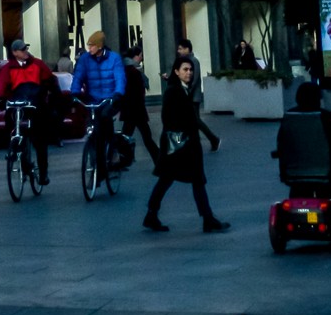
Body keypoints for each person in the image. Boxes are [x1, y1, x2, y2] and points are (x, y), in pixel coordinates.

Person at [142, 57, 229, 234]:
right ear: (176, 71)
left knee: (180, 179)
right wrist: (185, 135)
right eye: (185, 69)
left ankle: (205, 218)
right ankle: (207, 219)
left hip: (181, 144)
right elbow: (169, 118)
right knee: (180, 179)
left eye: (190, 70)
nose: (189, 72)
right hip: (181, 144)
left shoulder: (181, 89)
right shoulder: (174, 91)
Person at [280, 81, 331, 213]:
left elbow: (282, 142)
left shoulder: (289, 117)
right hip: (326, 172)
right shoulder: (324, 116)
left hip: (294, 172)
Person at [0, 40, 58, 188]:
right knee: (9, 120)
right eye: (22, 50)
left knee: (40, 140)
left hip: (36, 103)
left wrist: (52, 94)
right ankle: (13, 146)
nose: (25, 52)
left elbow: (50, 80)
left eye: (26, 49)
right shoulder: (9, 68)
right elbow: (1, 84)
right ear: (15, 52)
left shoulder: (37, 64)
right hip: (18, 103)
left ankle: (43, 172)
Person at [72, 32, 131, 169]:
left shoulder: (114, 58)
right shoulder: (85, 59)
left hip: (110, 98)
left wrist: (118, 93)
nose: (89, 48)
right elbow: (78, 77)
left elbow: (120, 78)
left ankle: (113, 147)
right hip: (93, 98)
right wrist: (74, 92)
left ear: (99, 46)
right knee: (93, 129)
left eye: (92, 46)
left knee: (105, 117)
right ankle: (97, 163)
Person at [174, 36, 221, 153]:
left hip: (193, 97)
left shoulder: (194, 61)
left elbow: (193, 80)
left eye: (180, 49)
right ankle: (198, 140)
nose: (178, 51)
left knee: (195, 120)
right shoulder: (186, 62)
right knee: (193, 120)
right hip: (190, 96)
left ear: (187, 49)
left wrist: (187, 91)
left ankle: (213, 139)